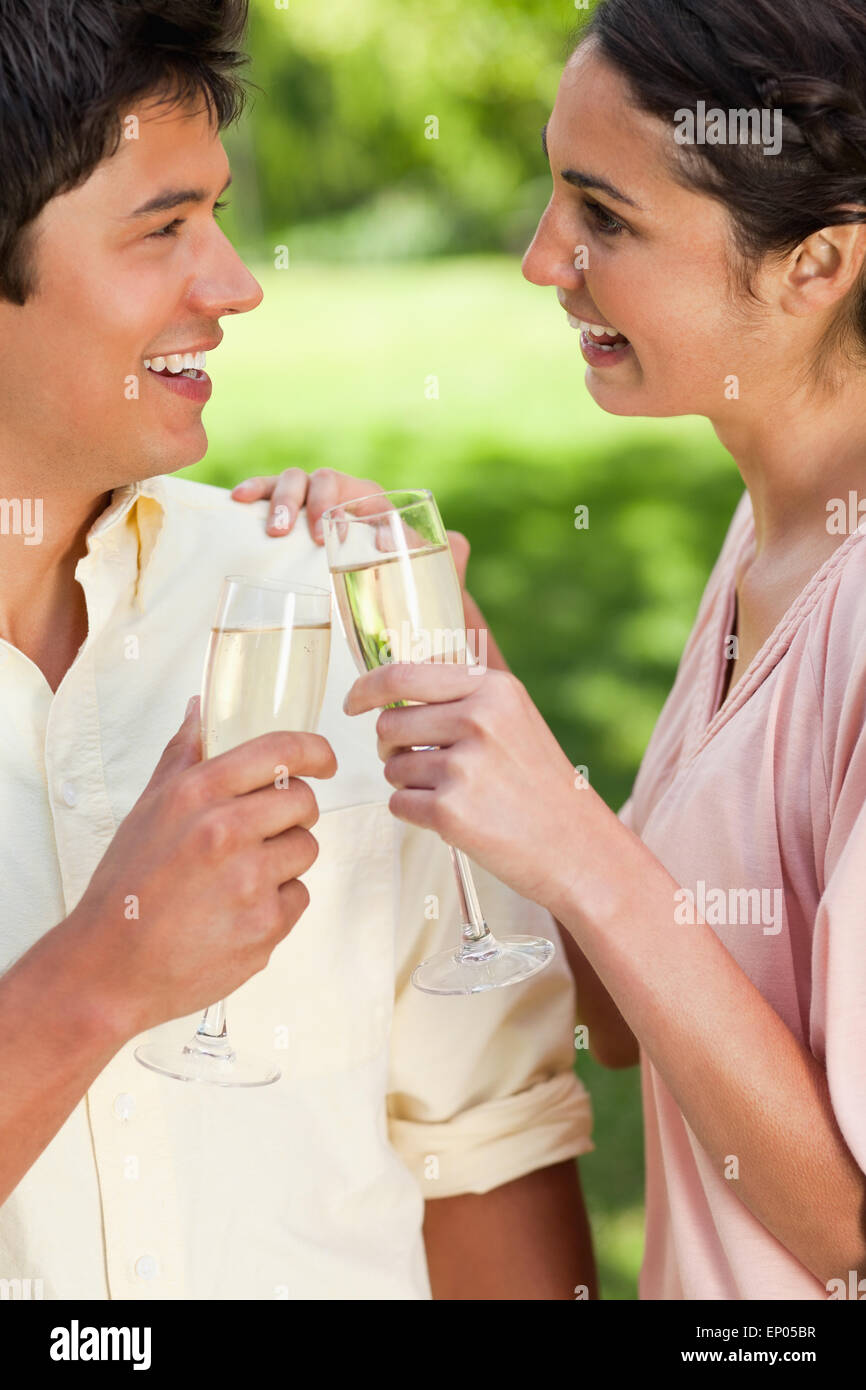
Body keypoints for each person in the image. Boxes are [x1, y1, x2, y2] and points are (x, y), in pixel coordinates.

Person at [0, 0, 596, 1300]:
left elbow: (485, 1147)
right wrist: (99, 977)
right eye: (163, 228)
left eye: (216, 215)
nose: (235, 284)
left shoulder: (324, 606)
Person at [312, 0, 866, 1300]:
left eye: (604, 217)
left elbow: (849, 1233)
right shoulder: (770, 536)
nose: (539, 258)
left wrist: (569, 835)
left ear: (817, 263)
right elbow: (625, 1017)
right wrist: (465, 666)